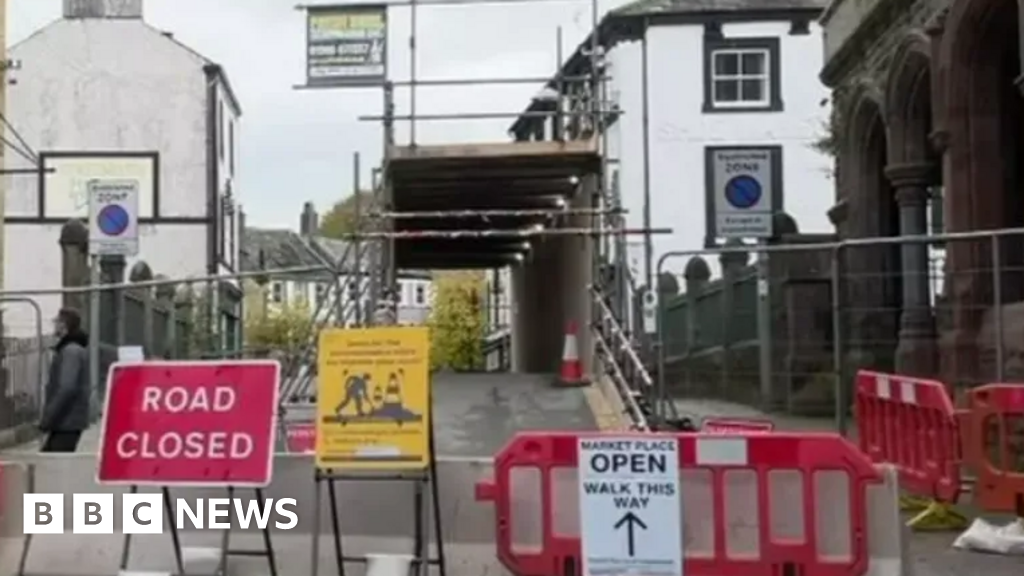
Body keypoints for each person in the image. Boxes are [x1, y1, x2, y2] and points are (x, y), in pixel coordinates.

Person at [39, 308, 91, 452]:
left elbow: (67, 388)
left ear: (63, 325)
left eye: (56, 321)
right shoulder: (72, 350)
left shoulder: (70, 352)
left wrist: (48, 418)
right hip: (66, 422)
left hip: (66, 422)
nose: (54, 325)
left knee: (51, 466)